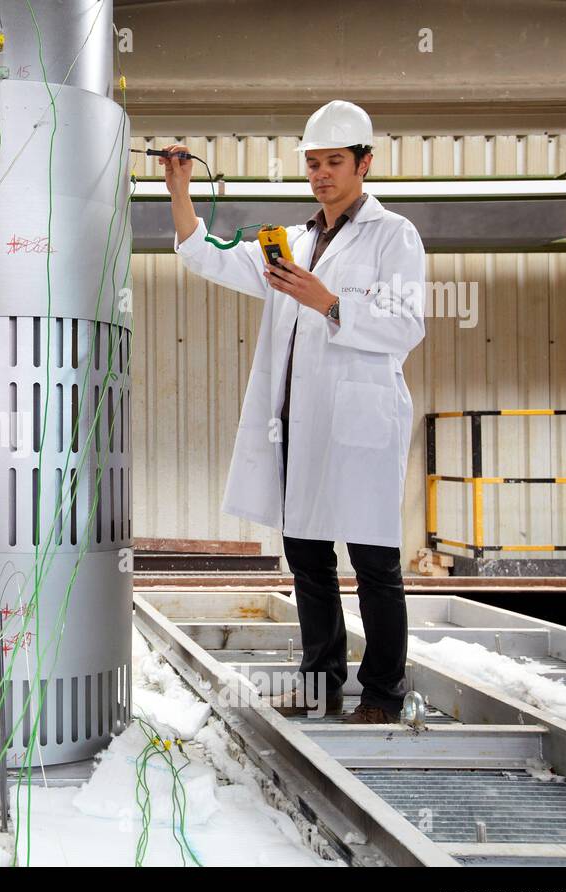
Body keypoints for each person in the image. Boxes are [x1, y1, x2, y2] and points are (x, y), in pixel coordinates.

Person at [160, 100, 427, 723]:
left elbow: (407, 325)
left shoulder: (395, 235)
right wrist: (180, 195)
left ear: (364, 163)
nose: (322, 174)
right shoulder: (295, 241)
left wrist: (329, 302)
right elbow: (212, 258)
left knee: (375, 564)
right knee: (307, 558)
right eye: (313, 163)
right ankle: (321, 681)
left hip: (360, 426)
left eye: (335, 162)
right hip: (300, 426)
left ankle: (383, 694)